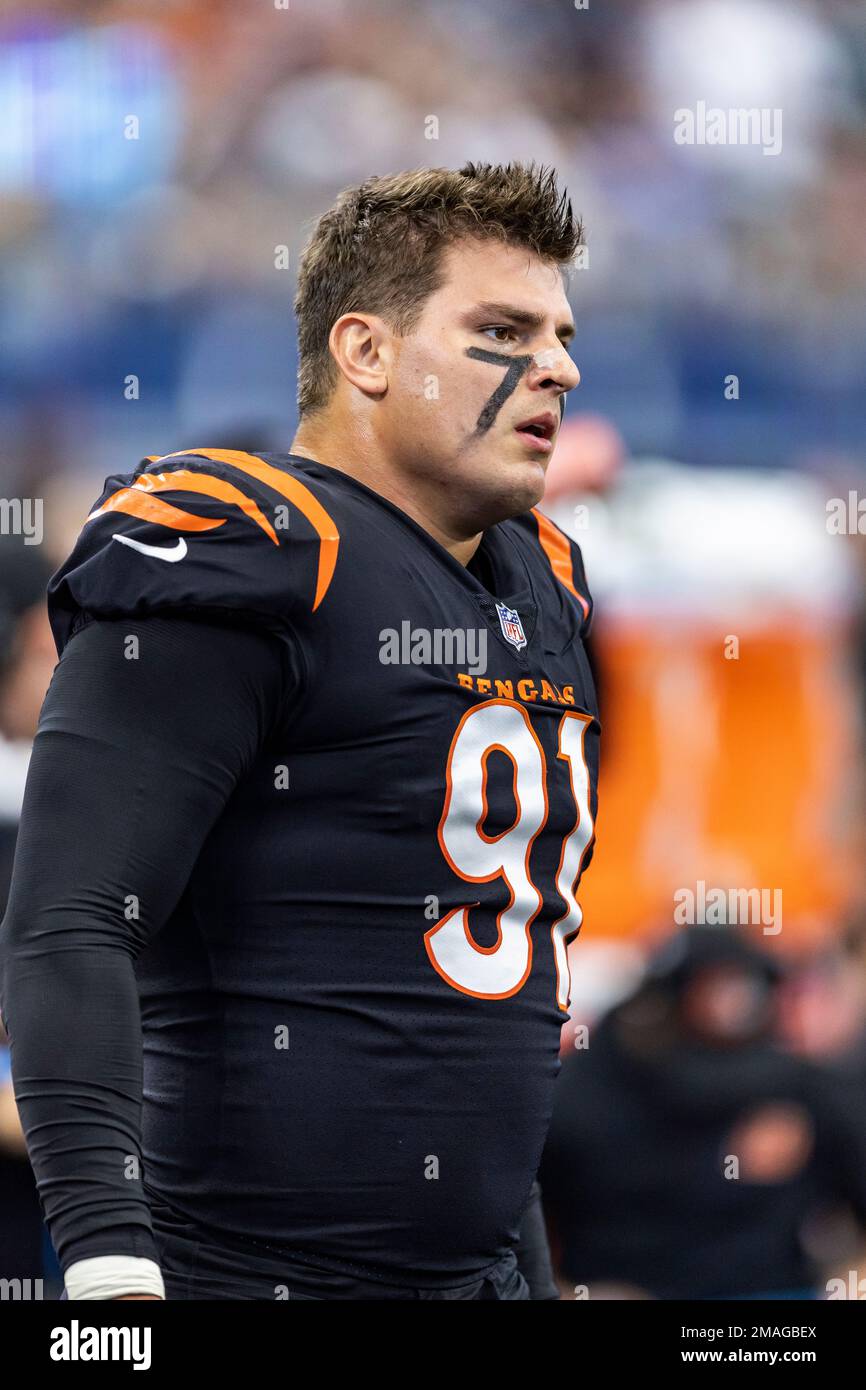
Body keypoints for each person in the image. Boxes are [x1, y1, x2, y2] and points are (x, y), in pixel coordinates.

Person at [0, 162, 599, 1301]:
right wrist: (110, 1265)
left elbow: (481, 1007)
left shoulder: (545, 583)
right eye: (501, 329)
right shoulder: (253, 543)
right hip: (242, 1273)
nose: (558, 365)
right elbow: (72, 920)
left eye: (561, 332)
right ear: (364, 353)